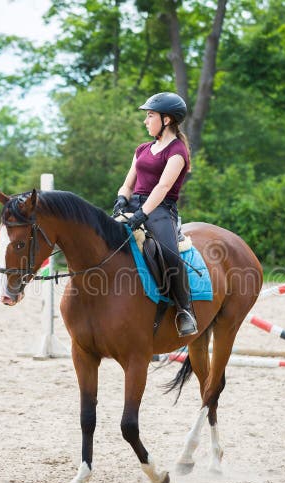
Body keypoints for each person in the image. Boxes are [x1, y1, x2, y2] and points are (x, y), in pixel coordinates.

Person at [113, 92, 197, 337]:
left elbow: (162, 188)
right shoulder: (142, 149)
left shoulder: (177, 151)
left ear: (167, 120)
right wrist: (121, 199)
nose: (145, 121)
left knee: (170, 255)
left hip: (160, 210)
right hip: (134, 206)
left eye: (150, 116)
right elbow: (128, 183)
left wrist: (142, 213)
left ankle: (185, 309)